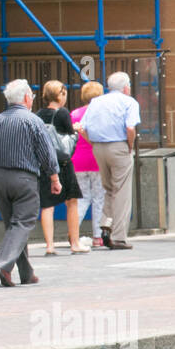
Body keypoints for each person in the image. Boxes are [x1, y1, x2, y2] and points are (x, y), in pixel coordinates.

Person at [0, 79, 62, 286]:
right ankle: (4, 265)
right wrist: (54, 177)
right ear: (26, 98)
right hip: (24, 179)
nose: (32, 99)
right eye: (31, 96)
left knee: (14, 225)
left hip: (0, 179)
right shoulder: (33, 121)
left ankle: (26, 273)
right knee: (22, 223)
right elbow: (46, 153)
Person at [75, 72, 140, 249]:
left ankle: (105, 224)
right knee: (122, 192)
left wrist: (93, 143)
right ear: (126, 87)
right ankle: (118, 236)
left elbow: (82, 127)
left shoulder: (96, 102)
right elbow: (130, 127)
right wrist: (129, 145)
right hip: (119, 146)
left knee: (109, 188)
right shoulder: (129, 102)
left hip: (98, 148)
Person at [36, 81, 86, 255]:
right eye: (63, 93)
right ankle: (75, 243)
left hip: (45, 165)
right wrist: (76, 129)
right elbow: (69, 135)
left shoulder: (39, 114)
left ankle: (50, 246)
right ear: (60, 94)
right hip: (63, 163)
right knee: (71, 202)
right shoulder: (63, 113)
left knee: (47, 205)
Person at [69, 81, 106, 246]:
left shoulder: (74, 114)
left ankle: (73, 233)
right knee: (99, 197)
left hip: (77, 161)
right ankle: (98, 236)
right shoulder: (100, 113)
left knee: (81, 198)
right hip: (97, 159)